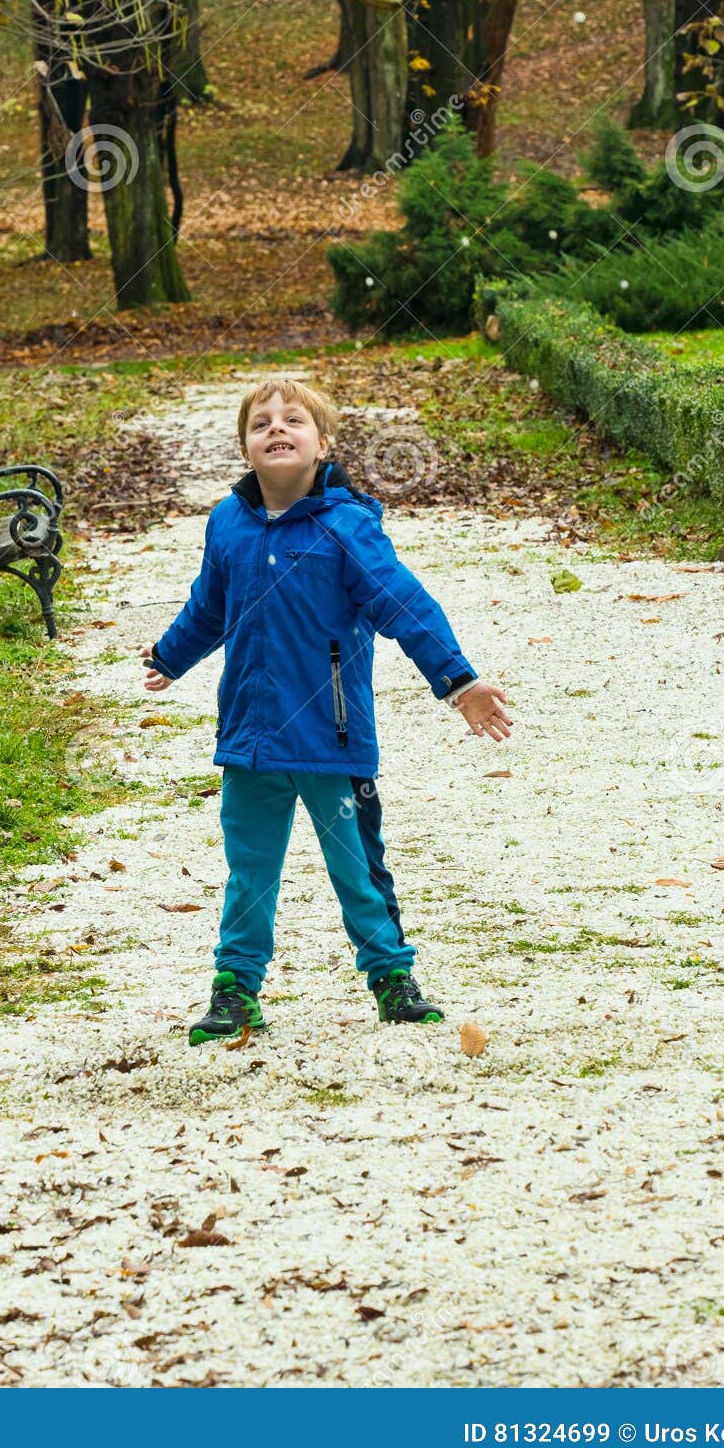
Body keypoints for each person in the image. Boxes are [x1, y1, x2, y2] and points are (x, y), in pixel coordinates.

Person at [139, 378, 512, 1045]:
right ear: (246, 449)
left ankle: (392, 978)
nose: (277, 428)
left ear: (324, 443)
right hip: (249, 741)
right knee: (250, 871)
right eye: (261, 423)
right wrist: (170, 655)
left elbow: (405, 606)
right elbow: (209, 607)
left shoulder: (347, 529)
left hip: (332, 743)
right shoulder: (227, 524)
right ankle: (235, 988)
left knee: (357, 869)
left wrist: (460, 681)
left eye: (293, 420)